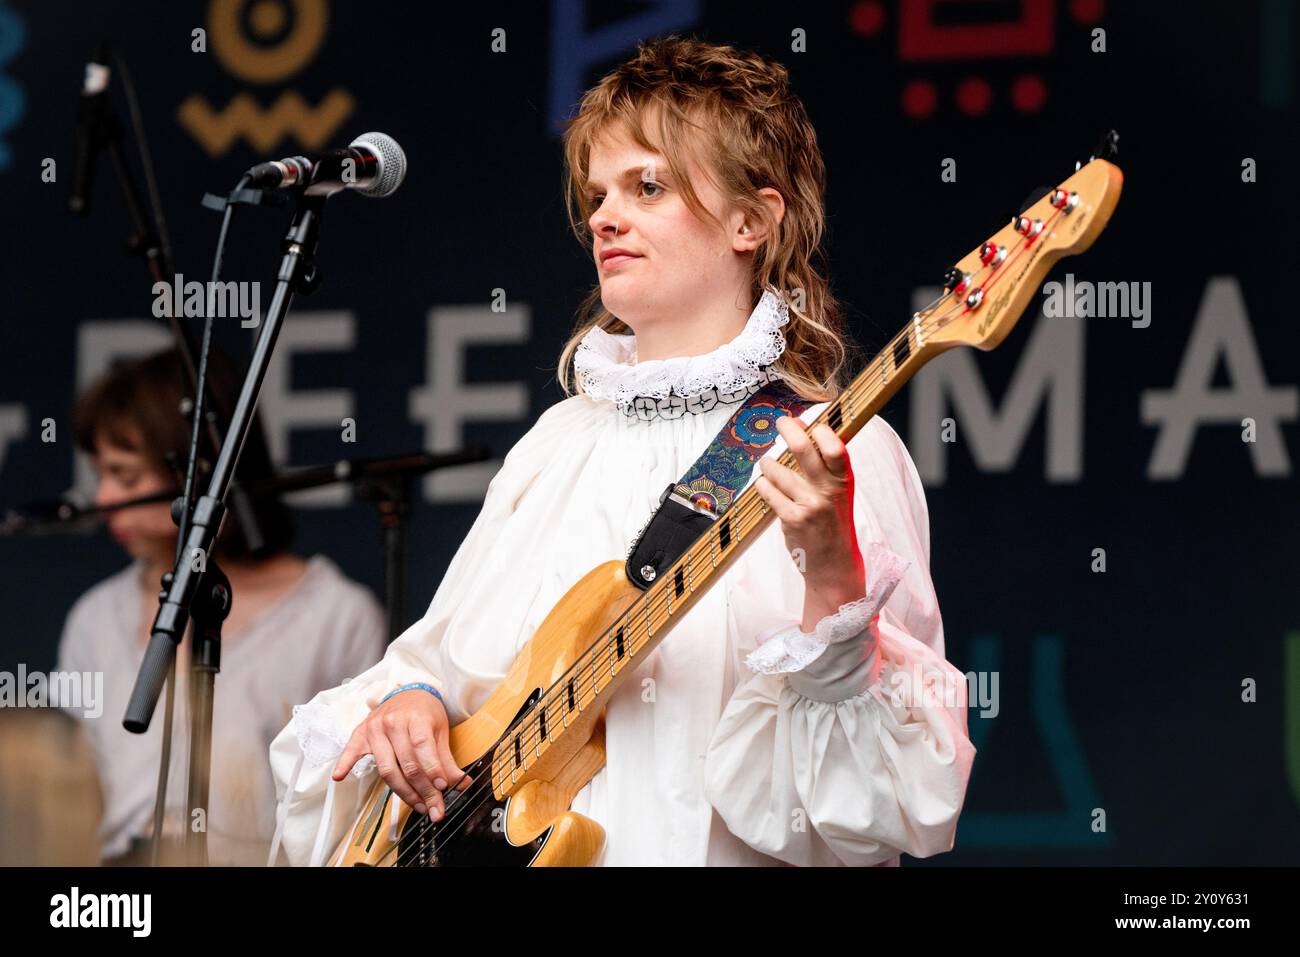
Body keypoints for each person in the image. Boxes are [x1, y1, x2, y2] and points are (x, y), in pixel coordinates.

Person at [269, 35, 976, 867]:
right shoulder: (557, 444)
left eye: (649, 186)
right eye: (598, 192)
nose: (605, 215)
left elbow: (889, 805)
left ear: (754, 218)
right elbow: (438, 664)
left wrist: (832, 573)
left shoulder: (835, 446)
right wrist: (410, 704)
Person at [56, 346, 386, 865]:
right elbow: (75, 799)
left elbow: (357, 806)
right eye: (99, 473)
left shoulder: (337, 615)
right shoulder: (94, 618)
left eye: (126, 476)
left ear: (197, 473)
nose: (103, 499)